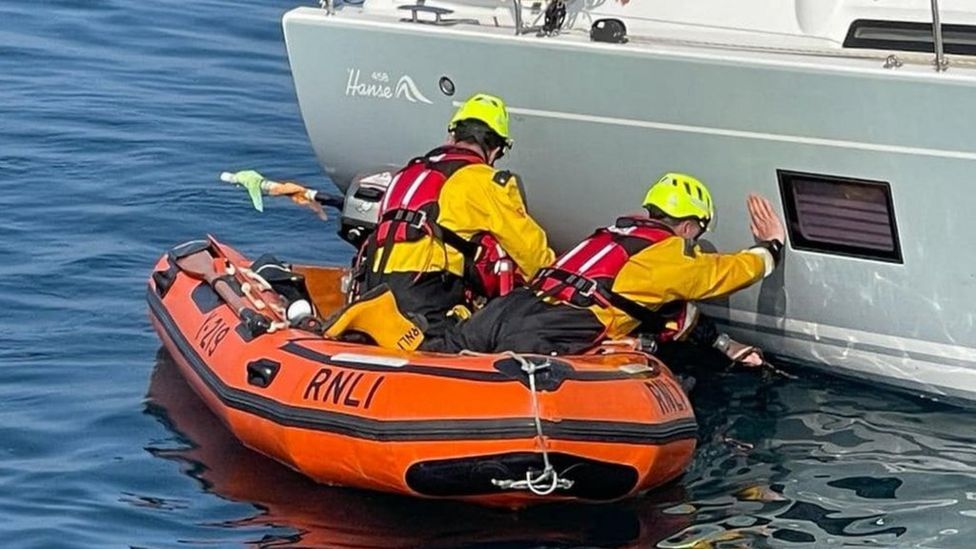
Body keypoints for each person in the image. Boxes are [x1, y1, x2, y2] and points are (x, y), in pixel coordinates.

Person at [242, 94, 554, 350]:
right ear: (497, 149)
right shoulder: (490, 183)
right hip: (427, 304)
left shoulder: (408, 173)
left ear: (452, 134)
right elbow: (532, 254)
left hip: (373, 289)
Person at [427, 172, 785, 363]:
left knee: (441, 358)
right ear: (690, 226)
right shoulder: (668, 252)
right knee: (516, 382)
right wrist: (770, 248)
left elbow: (674, 312)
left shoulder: (609, 236)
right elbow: (722, 273)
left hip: (513, 306)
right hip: (558, 326)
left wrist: (723, 344)